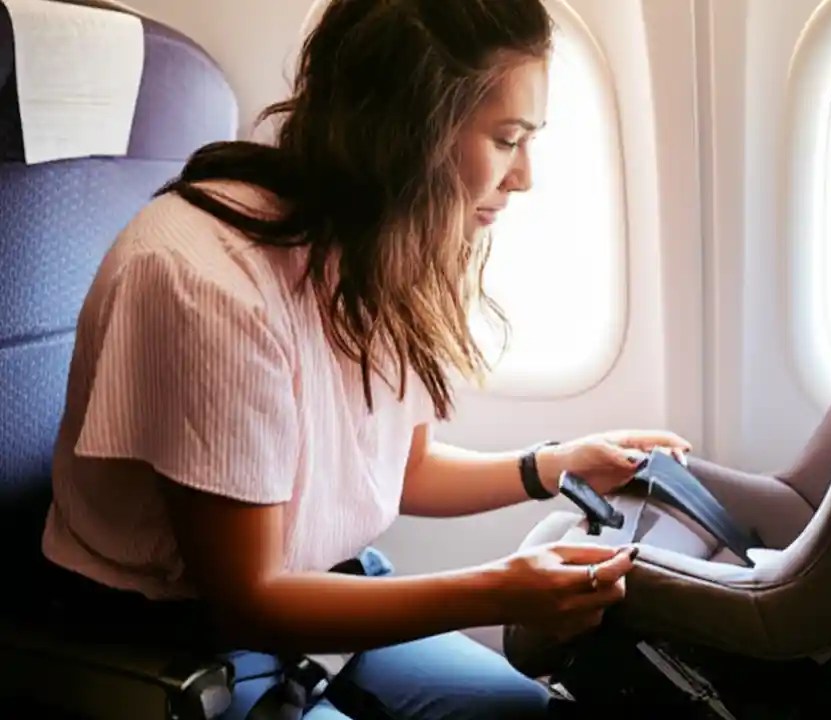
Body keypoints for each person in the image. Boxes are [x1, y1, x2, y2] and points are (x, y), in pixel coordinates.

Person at [37, 0, 691, 717]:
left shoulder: (377, 248)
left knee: (524, 710)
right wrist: (502, 587)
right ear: (409, 131)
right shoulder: (205, 280)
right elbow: (249, 598)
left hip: (317, 593)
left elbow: (402, 470)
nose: (524, 175)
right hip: (182, 640)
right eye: (507, 139)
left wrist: (558, 465)